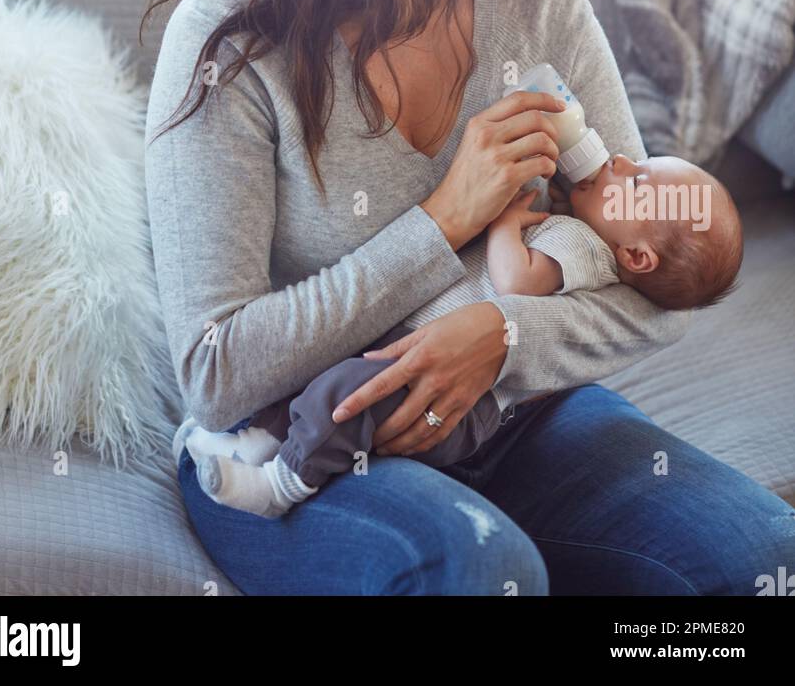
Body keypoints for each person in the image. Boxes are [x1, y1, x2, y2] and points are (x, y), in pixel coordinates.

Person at [142, 0, 795, 595]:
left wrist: (500, 332)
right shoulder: (237, 40)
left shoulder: (545, 12)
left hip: (506, 416)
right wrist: (443, 218)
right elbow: (214, 371)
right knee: (483, 569)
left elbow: (662, 282)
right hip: (294, 445)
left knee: (764, 554)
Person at [171, 152, 743, 519]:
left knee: (349, 396)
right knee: (333, 373)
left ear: (637, 256)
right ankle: (259, 442)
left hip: (457, 397)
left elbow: (516, 281)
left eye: (637, 179)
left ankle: (281, 483)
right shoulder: (589, 235)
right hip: (425, 348)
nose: (620, 158)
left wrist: (499, 222)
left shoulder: (581, 245)